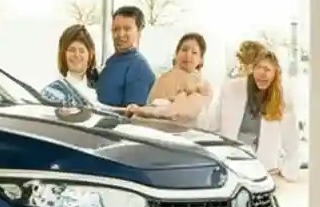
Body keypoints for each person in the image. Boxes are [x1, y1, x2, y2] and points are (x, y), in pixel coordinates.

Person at [201, 49, 301, 181]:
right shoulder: (231, 90)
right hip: (230, 163)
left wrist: (288, 172)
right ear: (253, 69)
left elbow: (291, 141)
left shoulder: (282, 99)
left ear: (275, 74)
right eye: (259, 67)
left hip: (264, 169)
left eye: (267, 69)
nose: (262, 73)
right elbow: (210, 125)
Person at [126, 32, 212, 125]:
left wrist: (140, 110)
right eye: (184, 50)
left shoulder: (204, 87)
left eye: (194, 52)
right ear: (176, 53)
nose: (188, 55)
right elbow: (152, 105)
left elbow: (183, 112)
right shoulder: (163, 79)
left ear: (201, 59)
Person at [96, 6, 155, 108]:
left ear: (139, 32)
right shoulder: (111, 62)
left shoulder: (139, 67)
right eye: (116, 29)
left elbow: (132, 116)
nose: (120, 34)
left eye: (127, 29)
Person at [41, 24, 99, 106]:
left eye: (81, 50)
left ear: (90, 55)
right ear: (63, 55)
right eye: (72, 50)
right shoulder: (51, 92)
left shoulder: (101, 90)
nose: (76, 55)